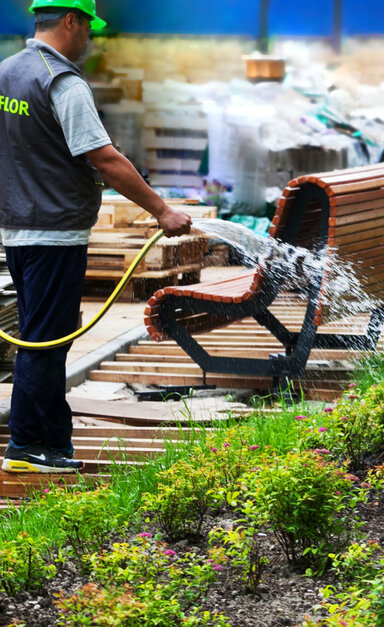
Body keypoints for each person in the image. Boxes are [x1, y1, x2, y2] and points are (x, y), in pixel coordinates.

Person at [0, 0, 191, 473]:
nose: (89, 37)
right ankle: (26, 446)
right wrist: (162, 210)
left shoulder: (6, 73)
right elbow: (103, 159)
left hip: (18, 229)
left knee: (41, 337)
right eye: (88, 27)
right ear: (70, 21)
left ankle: (54, 441)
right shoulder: (61, 81)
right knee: (46, 340)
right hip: (54, 232)